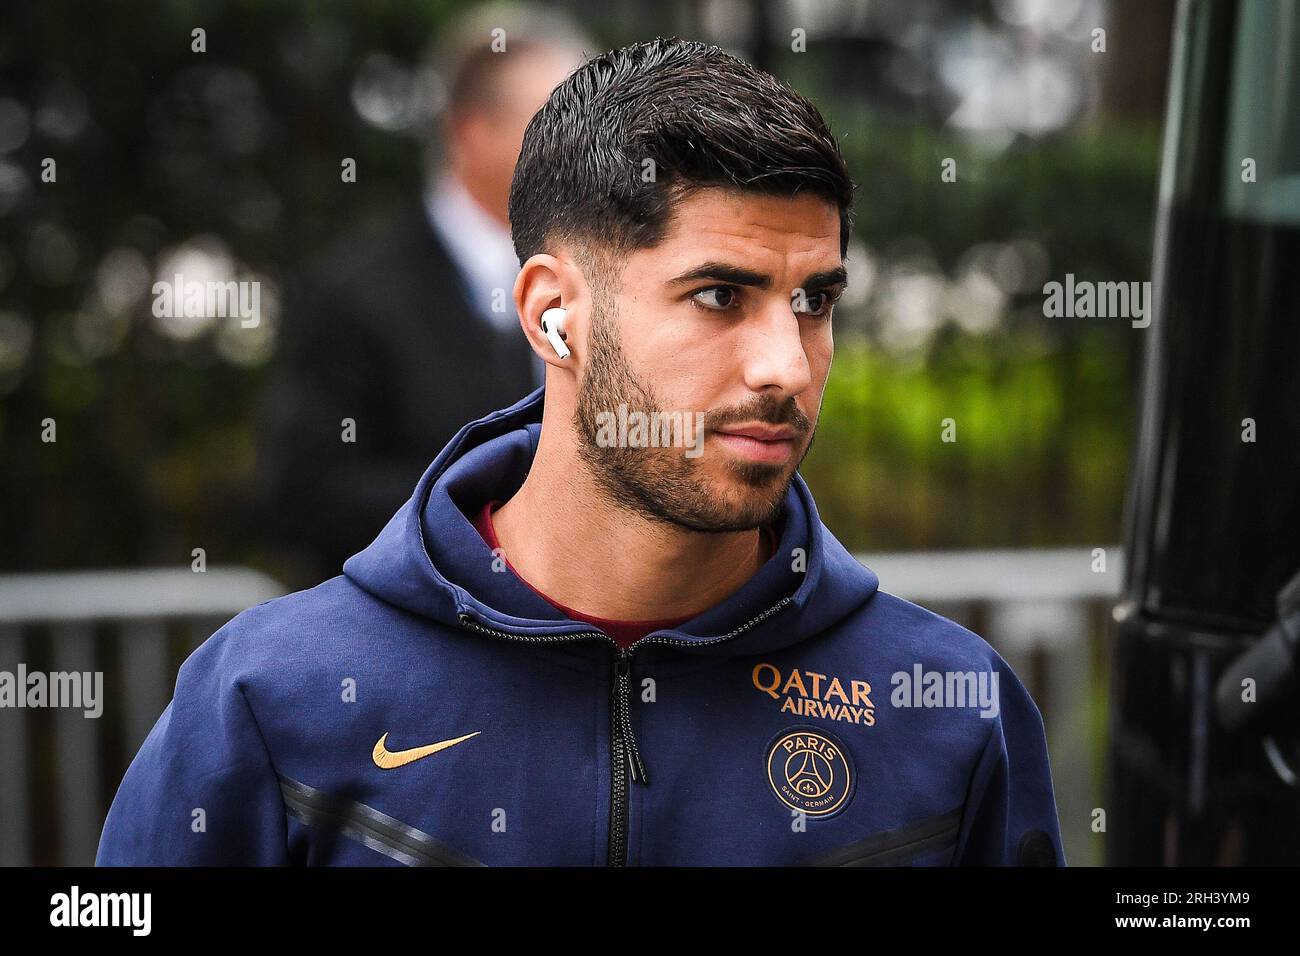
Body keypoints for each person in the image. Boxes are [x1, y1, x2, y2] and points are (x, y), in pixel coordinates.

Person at [98, 37, 1065, 866]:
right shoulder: (270, 703)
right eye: (719, 296)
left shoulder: (948, 714)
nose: (786, 366)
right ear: (552, 315)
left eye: (814, 301)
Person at [255, 7, 587, 584]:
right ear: (472, 131)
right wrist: (494, 504)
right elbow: (305, 494)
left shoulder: (603, 281)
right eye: (559, 129)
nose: (586, 155)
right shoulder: (356, 295)